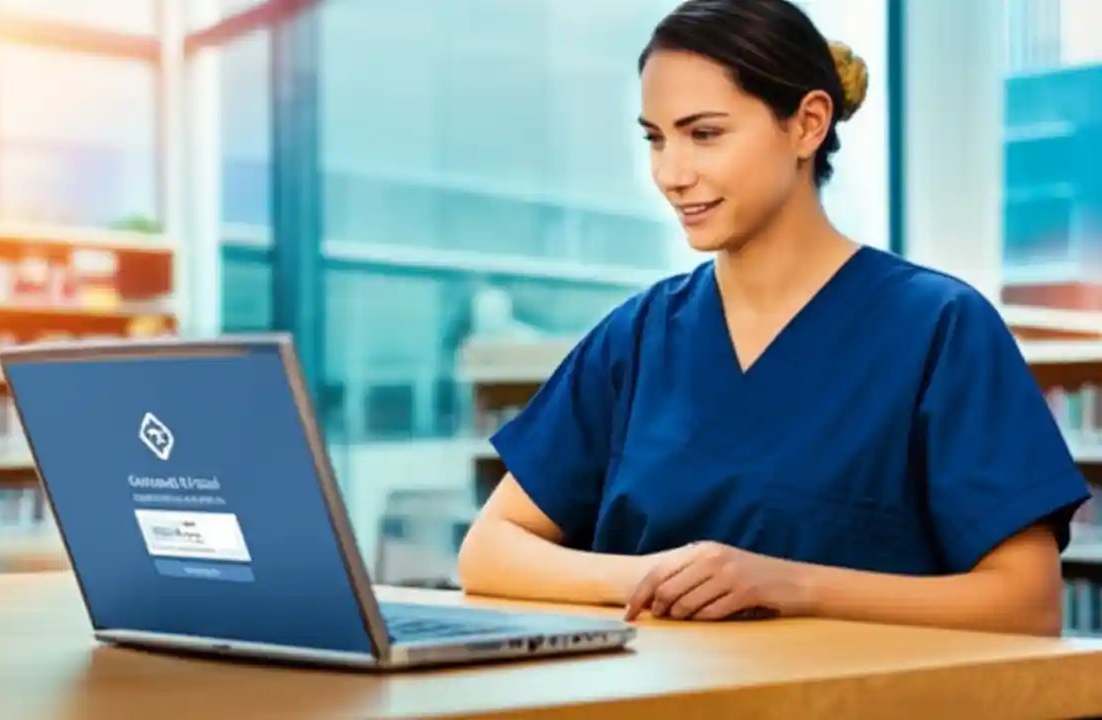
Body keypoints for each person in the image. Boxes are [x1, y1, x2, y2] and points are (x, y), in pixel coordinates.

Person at [456, 0, 1090, 637]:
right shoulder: (638, 336)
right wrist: (658, 577)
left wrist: (787, 585)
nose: (671, 174)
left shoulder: (940, 329)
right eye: (655, 137)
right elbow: (489, 551)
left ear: (807, 125)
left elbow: (1025, 605)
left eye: (704, 134)